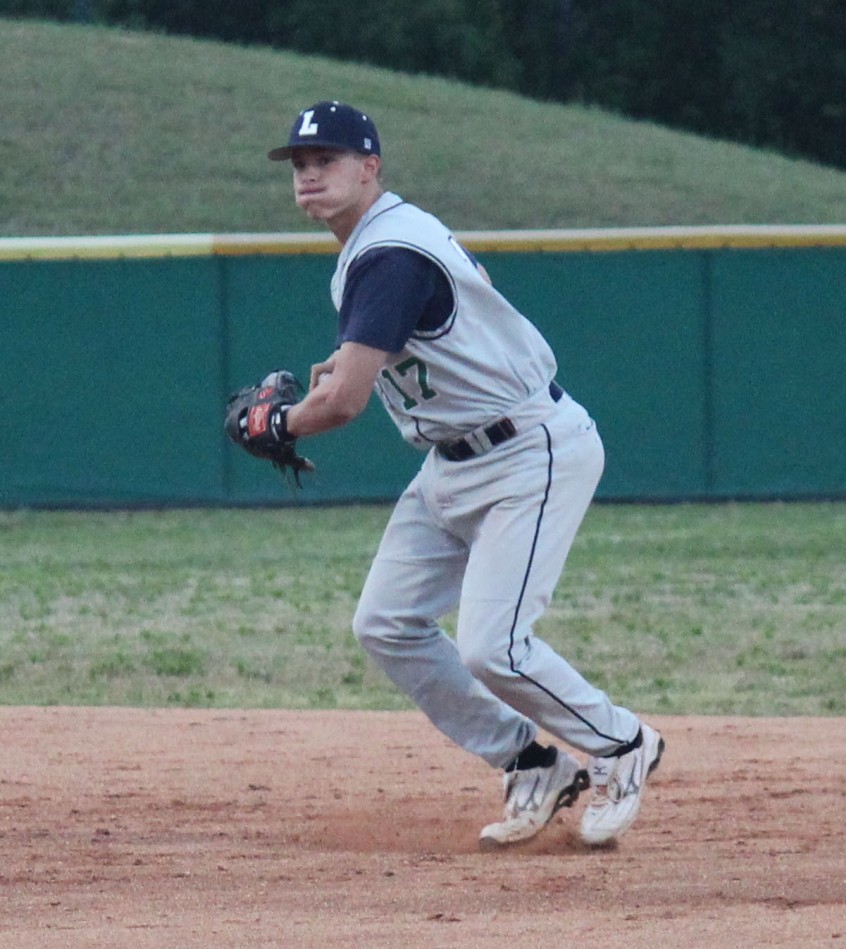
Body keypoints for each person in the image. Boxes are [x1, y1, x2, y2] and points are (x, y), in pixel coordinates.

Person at [265, 100, 664, 849]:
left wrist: (279, 424)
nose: (309, 176)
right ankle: (530, 761)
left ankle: (621, 745)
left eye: (326, 162)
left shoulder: (389, 254)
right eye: (299, 165)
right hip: (450, 462)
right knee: (385, 624)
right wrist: (344, 371)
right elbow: (384, 359)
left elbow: (345, 402)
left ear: (370, 168)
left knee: (494, 645)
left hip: (527, 453)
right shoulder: (374, 243)